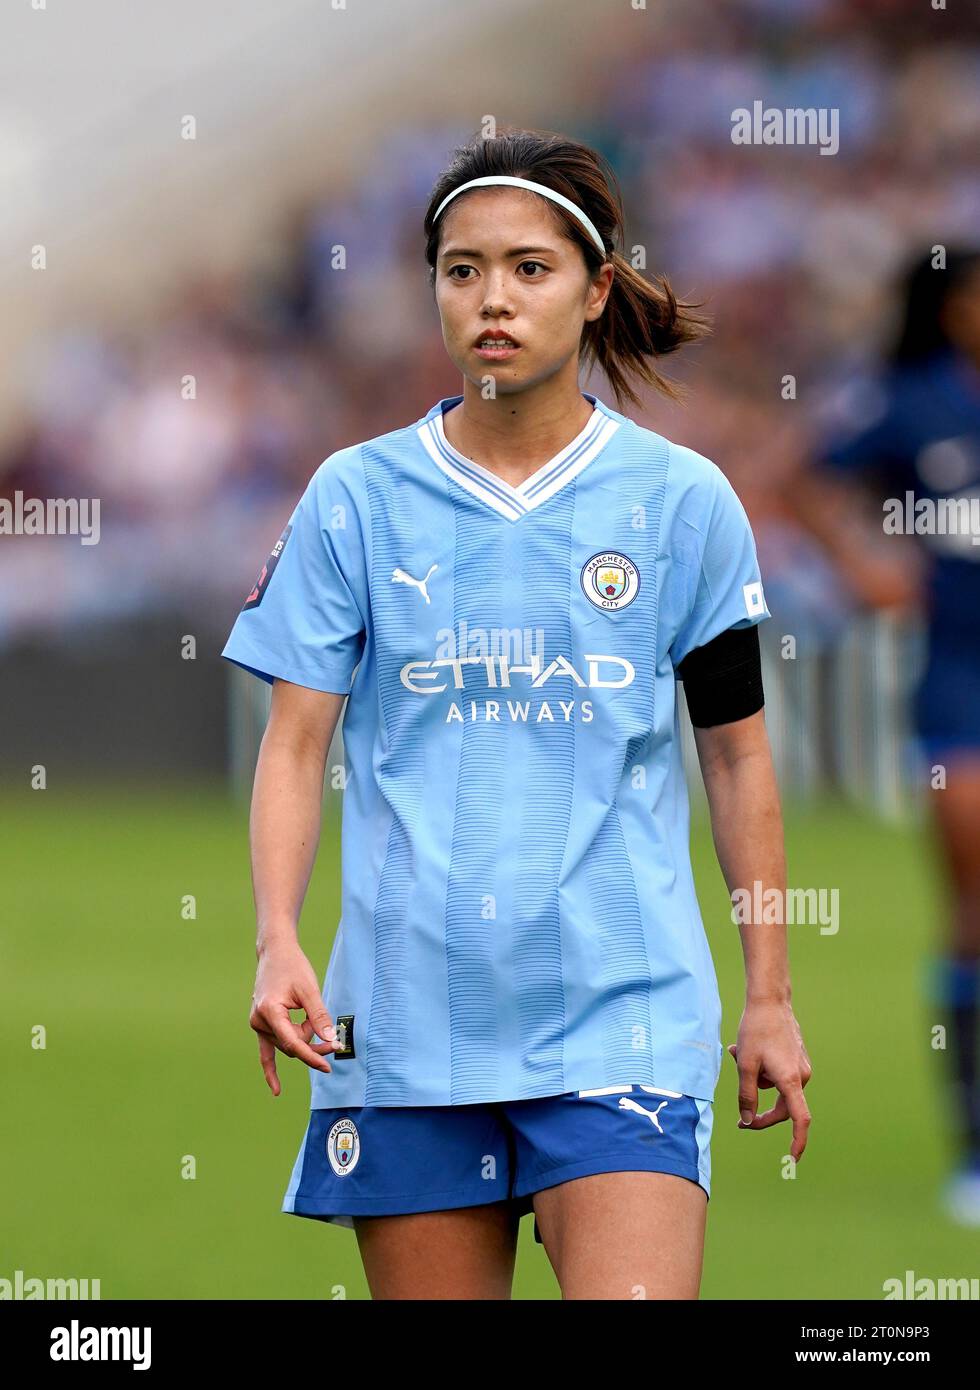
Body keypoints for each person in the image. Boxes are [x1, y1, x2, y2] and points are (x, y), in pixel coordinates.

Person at [221, 128, 811, 1300]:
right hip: (398, 1021)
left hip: (621, 1021)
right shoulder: (355, 496)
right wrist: (277, 935)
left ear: (595, 289)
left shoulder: (681, 502)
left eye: (529, 268)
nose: (492, 297)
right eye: (461, 268)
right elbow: (296, 745)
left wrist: (769, 996)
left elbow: (737, 759)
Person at [794, 248, 980, 1226]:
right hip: (957, 681)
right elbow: (808, 479)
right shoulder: (912, 405)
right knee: (970, 901)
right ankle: (972, 1147)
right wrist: (860, 568)